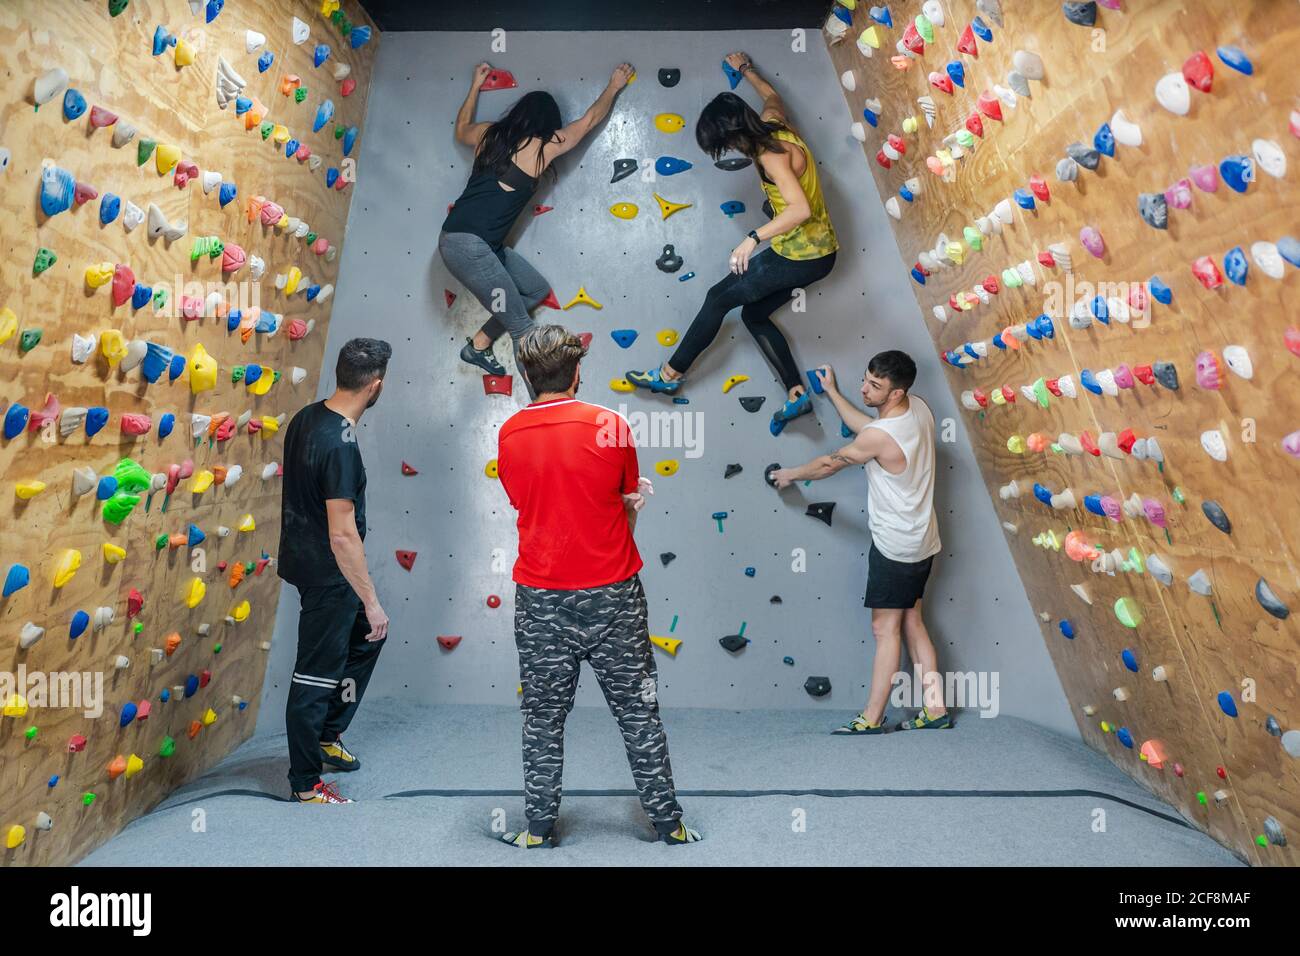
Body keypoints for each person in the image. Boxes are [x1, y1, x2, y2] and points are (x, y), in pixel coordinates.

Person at [495, 324, 701, 847]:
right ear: (578, 373)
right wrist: (625, 509)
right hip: (614, 594)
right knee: (639, 711)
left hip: (540, 597)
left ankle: (538, 832)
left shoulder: (510, 434)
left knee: (542, 716)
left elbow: (529, 505)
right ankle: (669, 825)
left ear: (525, 376)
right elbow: (624, 503)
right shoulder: (611, 425)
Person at [626, 51, 839, 436]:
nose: (728, 152)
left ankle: (670, 374)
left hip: (801, 255)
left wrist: (751, 239)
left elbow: (800, 208)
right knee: (753, 315)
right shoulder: (773, 125)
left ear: (734, 135)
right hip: (821, 254)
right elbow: (773, 95)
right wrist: (746, 70)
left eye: (723, 145)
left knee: (717, 298)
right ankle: (796, 394)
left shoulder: (770, 155)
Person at [769, 351, 952, 734]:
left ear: (896, 392)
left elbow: (829, 463)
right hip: (923, 540)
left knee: (885, 630)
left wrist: (790, 475)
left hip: (895, 547)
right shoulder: (917, 408)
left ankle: (871, 718)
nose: (864, 388)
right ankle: (935, 709)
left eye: (875, 386)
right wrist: (834, 393)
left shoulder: (881, 436)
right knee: (913, 620)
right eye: (866, 379)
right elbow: (871, 429)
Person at [441, 61, 634, 392]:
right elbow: (588, 121)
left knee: (534, 289)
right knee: (523, 330)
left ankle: (479, 345)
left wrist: (475, 85)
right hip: (471, 248)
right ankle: (542, 406)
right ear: (547, 123)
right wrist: (614, 86)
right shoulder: (544, 146)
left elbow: (461, 128)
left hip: (476, 244)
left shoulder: (489, 134)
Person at [277, 338, 393, 803]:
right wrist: (370, 597)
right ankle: (306, 783)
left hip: (310, 563)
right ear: (376, 385)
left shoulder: (309, 416)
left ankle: (327, 735)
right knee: (315, 674)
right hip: (330, 574)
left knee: (368, 635)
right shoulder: (341, 445)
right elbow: (343, 535)